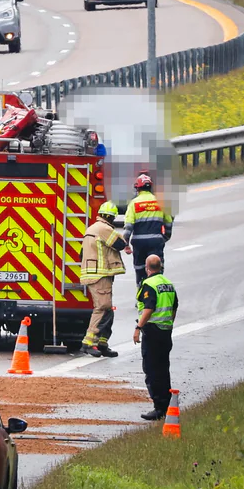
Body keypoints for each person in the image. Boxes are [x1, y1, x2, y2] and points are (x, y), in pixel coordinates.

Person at [81, 201, 130, 358]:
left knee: (108, 309)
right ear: (111, 217)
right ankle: (89, 342)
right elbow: (120, 244)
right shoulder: (104, 228)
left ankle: (102, 343)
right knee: (102, 307)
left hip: (95, 274)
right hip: (100, 274)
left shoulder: (92, 228)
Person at [133, 254, 177, 421]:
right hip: (165, 332)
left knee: (152, 370)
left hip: (152, 332)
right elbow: (174, 307)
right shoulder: (168, 284)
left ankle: (159, 407)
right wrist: (169, 324)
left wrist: (138, 327)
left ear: (147, 267)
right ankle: (166, 404)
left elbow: (149, 308)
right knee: (163, 369)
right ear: (160, 266)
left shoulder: (149, 284)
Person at [122, 172, 173, 289]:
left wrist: (126, 244)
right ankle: (156, 292)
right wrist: (165, 237)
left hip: (139, 243)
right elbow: (168, 223)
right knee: (156, 268)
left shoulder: (134, 203)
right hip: (156, 241)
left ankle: (141, 296)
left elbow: (128, 227)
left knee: (140, 269)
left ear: (137, 188)